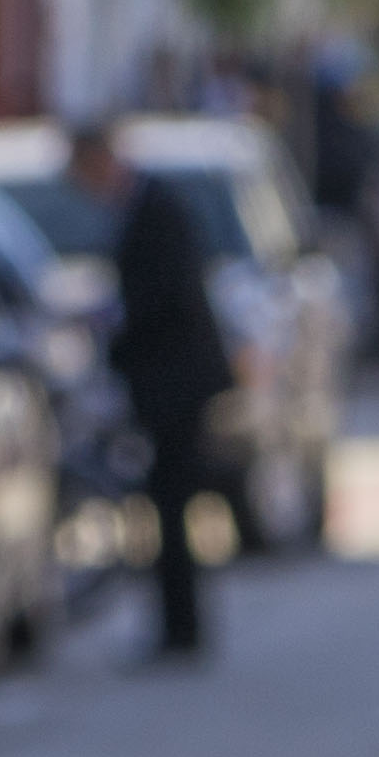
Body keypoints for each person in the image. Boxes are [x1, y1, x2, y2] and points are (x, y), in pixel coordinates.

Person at [83, 121, 239, 663]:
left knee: (173, 505)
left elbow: (167, 300)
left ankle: (182, 628)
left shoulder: (157, 208)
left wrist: (116, 330)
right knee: (166, 506)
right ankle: (177, 624)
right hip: (164, 382)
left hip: (176, 384)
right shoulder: (143, 207)